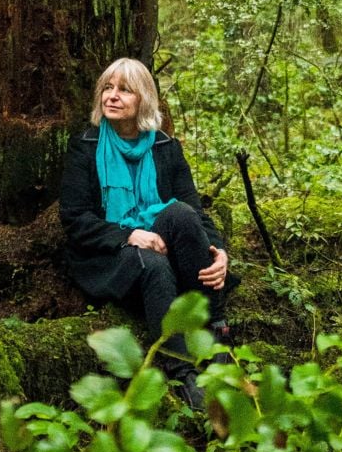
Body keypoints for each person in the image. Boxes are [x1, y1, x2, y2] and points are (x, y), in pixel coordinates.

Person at [59, 57, 238, 410]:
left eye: (124, 90)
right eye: (107, 88)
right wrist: (129, 234)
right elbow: (75, 219)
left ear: (143, 99)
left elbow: (195, 211)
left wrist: (218, 251)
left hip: (160, 238)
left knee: (182, 214)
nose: (112, 96)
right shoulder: (86, 146)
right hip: (108, 252)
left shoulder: (164, 147)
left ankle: (216, 333)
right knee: (153, 264)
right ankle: (182, 371)